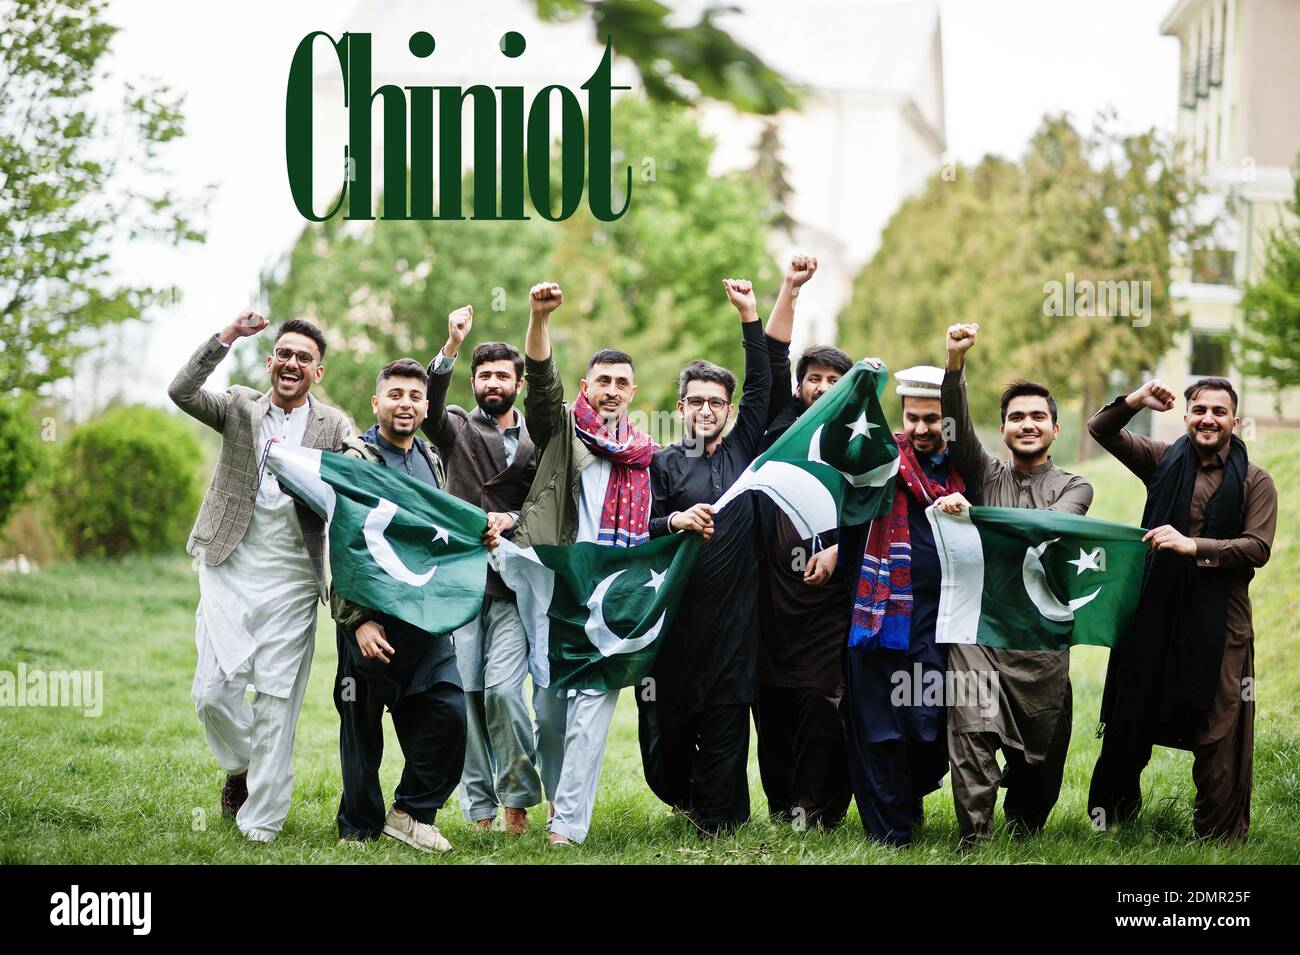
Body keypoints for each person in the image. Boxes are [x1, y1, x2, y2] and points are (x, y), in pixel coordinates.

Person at [168, 310, 351, 843]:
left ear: (318, 372)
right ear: (272, 361)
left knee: (276, 700)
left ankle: (261, 824)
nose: (293, 363)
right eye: (285, 353)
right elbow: (181, 390)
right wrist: (226, 335)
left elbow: (363, 471)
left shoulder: (334, 425)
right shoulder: (240, 407)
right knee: (211, 693)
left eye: (305, 358)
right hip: (228, 564)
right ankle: (243, 769)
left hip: (295, 574)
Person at [1086, 377, 1276, 843]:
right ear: (1186, 415)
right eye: (1198, 409)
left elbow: (1257, 548)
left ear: (1234, 419)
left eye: (1218, 411)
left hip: (1221, 620)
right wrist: (1134, 401)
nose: (1207, 418)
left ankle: (1220, 833)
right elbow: (1101, 430)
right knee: (1133, 709)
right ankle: (1110, 821)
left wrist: (1193, 546)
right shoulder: (1162, 458)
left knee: (1220, 724)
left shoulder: (1255, 481)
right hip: (1155, 610)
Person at [511, 281, 659, 846]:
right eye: (603, 382)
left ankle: (567, 826)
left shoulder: (647, 456)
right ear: (586, 387)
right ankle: (557, 802)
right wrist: (539, 318)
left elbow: (660, 522)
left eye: (623, 383)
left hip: (613, 597)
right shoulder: (562, 432)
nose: (613, 391)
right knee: (549, 714)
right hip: (557, 589)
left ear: (633, 391)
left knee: (590, 715)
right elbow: (542, 386)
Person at [937, 322, 1093, 852]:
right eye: (1016, 417)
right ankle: (974, 838)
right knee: (971, 726)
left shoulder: (1075, 486)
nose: (1027, 425)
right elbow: (954, 425)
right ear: (1002, 429)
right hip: (980, 625)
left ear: (1054, 427)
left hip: (1042, 638)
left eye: (1037, 417)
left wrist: (975, 513)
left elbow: (1050, 528)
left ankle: (1024, 824)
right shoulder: (982, 473)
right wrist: (955, 361)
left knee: (1040, 752)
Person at [638, 276, 771, 836]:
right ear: (681, 406)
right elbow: (637, 530)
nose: (707, 409)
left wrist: (750, 316)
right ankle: (685, 796)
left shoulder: (744, 450)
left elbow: (764, 386)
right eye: (697, 401)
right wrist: (675, 520)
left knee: (725, 725)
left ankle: (719, 822)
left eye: (718, 401)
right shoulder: (661, 464)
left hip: (736, 624)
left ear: (729, 408)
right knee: (665, 738)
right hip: (673, 625)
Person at [331, 358, 468, 853]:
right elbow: (343, 541)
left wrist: (482, 533)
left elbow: (439, 531)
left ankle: (411, 813)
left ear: (426, 405)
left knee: (450, 712)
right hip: (369, 619)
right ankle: (359, 827)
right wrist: (358, 621)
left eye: (415, 395)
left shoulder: (430, 458)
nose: (405, 403)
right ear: (376, 402)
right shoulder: (356, 458)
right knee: (362, 730)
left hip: (424, 620)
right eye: (395, 394)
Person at [422, 306, 542, 836]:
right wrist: (451, 344)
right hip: (462, 581)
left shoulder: (540, 439)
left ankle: (517, 793)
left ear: (517, 382)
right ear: (474, 382)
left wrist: (512, 518)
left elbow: (544, 503)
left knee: (504, 692)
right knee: (468, 693)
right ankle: (480, 808)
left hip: (514, 584)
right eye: (484, 375)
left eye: (503, 375)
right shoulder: (454, 429)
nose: (494, 383)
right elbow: (428, 402)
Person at [839, 363, 964, 847]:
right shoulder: (881, 456)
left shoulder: (963, 471)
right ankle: (888, 830)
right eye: (912, 417)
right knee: (879, 726)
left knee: (926, 726)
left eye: (932, 419)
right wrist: (860, 385)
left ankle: (909, 799)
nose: (921, 428)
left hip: (939, 623)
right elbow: (838, 445)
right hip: (878, 620)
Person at [752, 255, 854, 830]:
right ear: (800, 387)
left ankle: (818, 809)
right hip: (769, 597)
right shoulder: (777, 425)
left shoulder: (857, 442)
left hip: (829, 602)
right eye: (813, 378)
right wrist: (789, 289)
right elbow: (770, 355)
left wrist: (839, 545)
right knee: (772, 704)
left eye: (833, 381)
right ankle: (779, 802)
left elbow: (871, 509)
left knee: (821, 703)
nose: (821, 387)